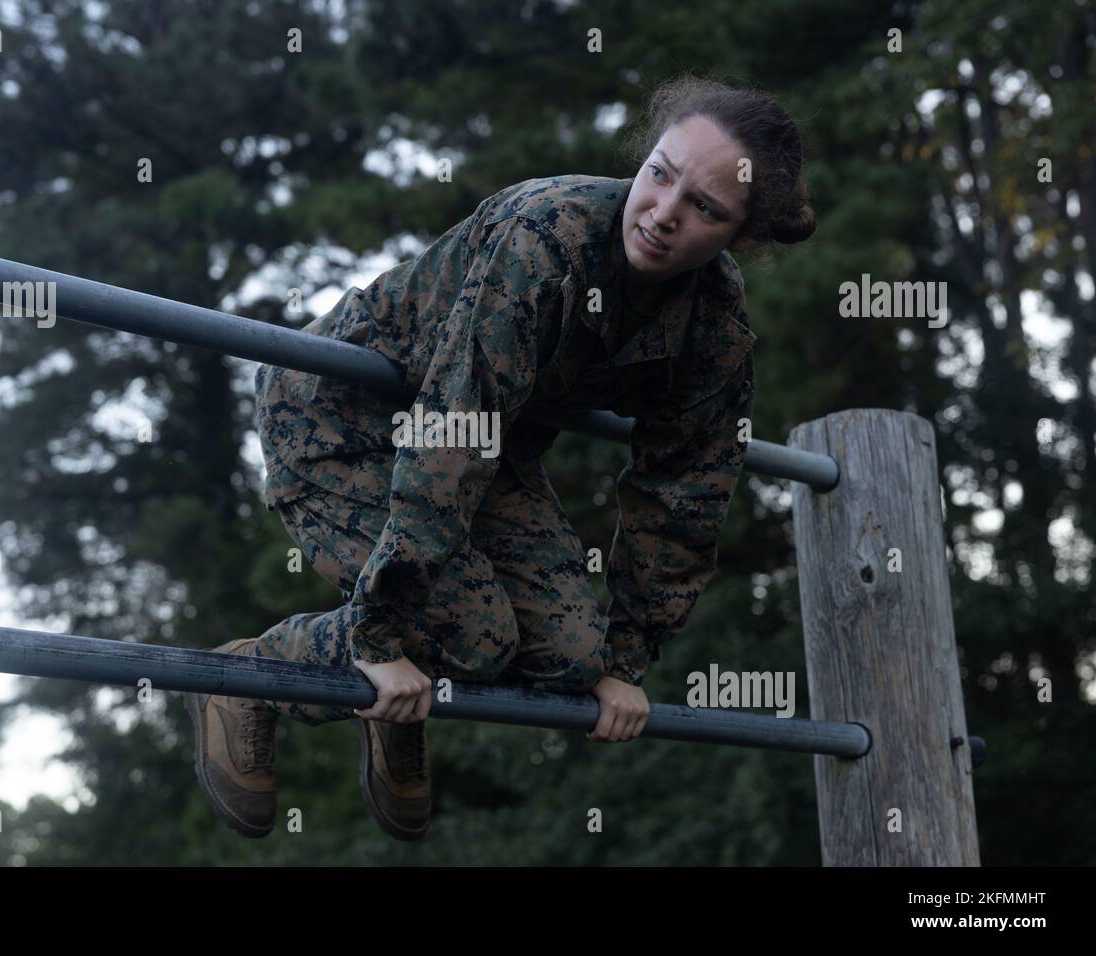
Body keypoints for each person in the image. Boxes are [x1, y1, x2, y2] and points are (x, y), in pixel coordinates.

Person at [184, 74, 816, 840]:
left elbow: (685, 491)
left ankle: (394, 681)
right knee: (471, 637)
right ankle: (250, 677)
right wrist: (381, 633)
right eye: (660, 173)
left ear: (741, 238)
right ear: (645, 155)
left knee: (573, 665)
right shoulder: (547, 237)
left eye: (705, 209)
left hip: (486, 453)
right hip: (342, 417)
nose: (662, 214)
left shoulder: (713, 324)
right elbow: (451, 429)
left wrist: (627, 660)